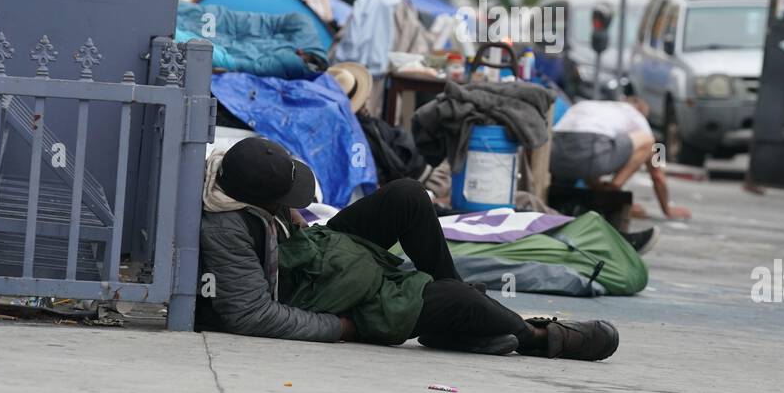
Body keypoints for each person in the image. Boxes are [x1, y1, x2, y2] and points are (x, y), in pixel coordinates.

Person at [195, 136, 619, 361]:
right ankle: (541, 337)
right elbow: (250, 314)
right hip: (313, 293)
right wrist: (341, 330)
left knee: (408, 195)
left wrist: (290, 219)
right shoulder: (226, 229)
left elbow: (285, 229)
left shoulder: (230, 174)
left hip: (315, 255)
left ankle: (453, 324)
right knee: (453, 297)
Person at [550, 97, 692, 221]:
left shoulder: (591, 106)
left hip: (556, 161)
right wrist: (667, 208)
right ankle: (614, 190)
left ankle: (598, 189)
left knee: (599, 145)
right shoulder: (636, 116)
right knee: (649, 141)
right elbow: (657, 174)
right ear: (641, 111)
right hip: (590, 154)